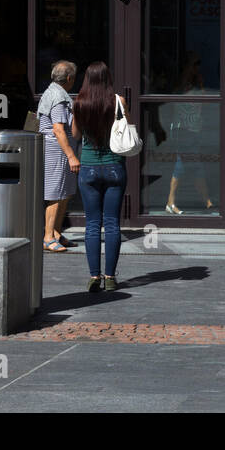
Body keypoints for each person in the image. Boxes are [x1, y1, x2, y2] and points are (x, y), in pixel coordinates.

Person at [71, 61, 128, 293]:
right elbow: (127, 129)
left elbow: (75, 134)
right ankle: (111, 277)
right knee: (113, 223)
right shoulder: (118, 101)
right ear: (107, 78)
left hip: (89, 167)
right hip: (114, 166)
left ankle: (94, 276)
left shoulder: (80, 103)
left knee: (92, 224)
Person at [36, 60, 78, 253]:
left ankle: (56, 233)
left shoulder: (55, 92)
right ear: (69, 78)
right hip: (57, 150)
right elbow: (58, 129)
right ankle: (47, 237)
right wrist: (71, 155)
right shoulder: (57, 96)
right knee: (55, 194)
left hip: (60, 149)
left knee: (64, 193)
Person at [165, 52, 214, 214]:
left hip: (193, 129)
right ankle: (173, 202)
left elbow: (203, 99)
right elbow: (182, 87)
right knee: (186, 165)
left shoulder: (196, 82)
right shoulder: (183, 83)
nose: (197, 67)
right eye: (195, 64)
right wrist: (190, 66)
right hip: (182, 129)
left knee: (193, 165)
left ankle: (206, 201)